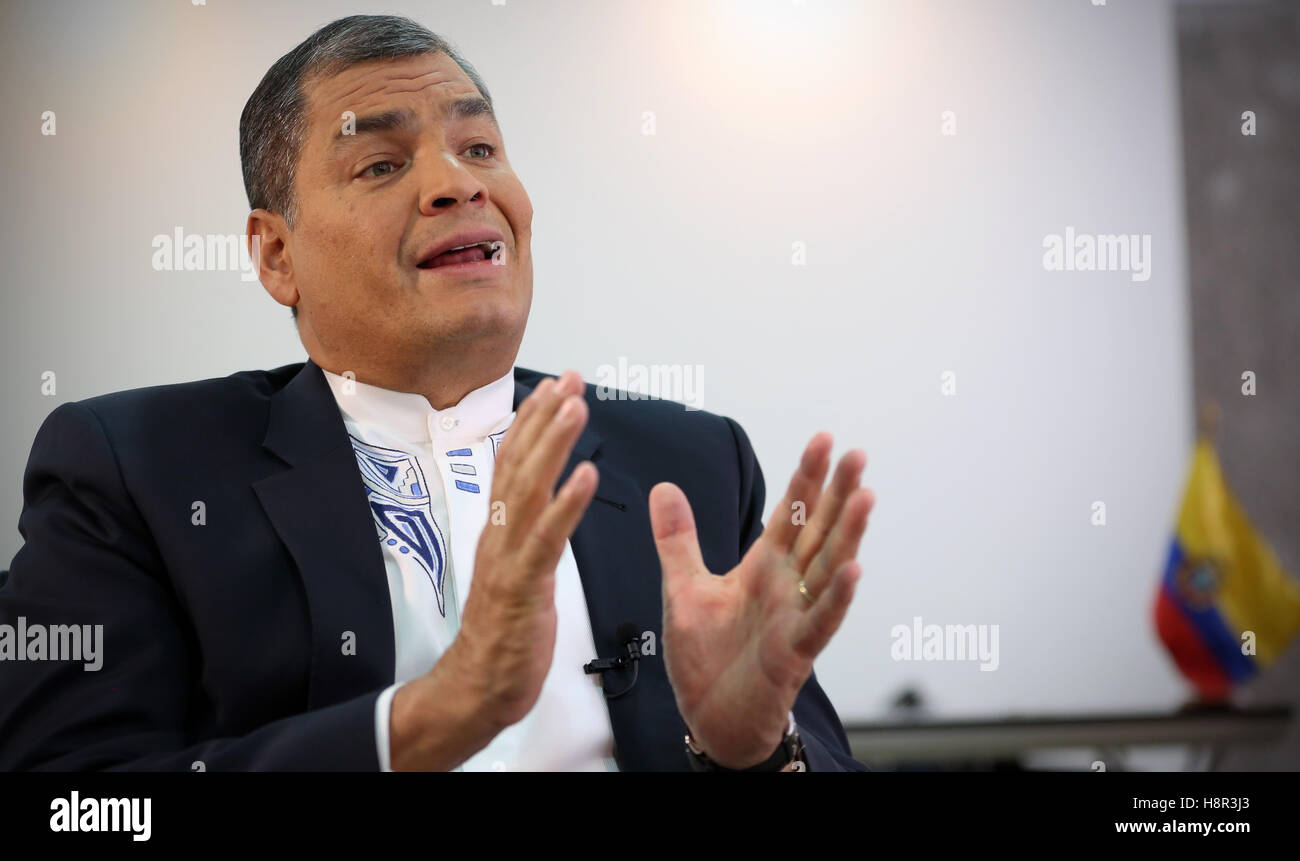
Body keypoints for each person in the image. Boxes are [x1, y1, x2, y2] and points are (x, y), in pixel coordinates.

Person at [0, 15, 875, 772]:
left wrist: (750, 752)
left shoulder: (689, 466)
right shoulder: (137, 470)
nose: (459, 184)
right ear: (276, 255)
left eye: (480, 147)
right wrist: (426, 719)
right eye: (379, 164)